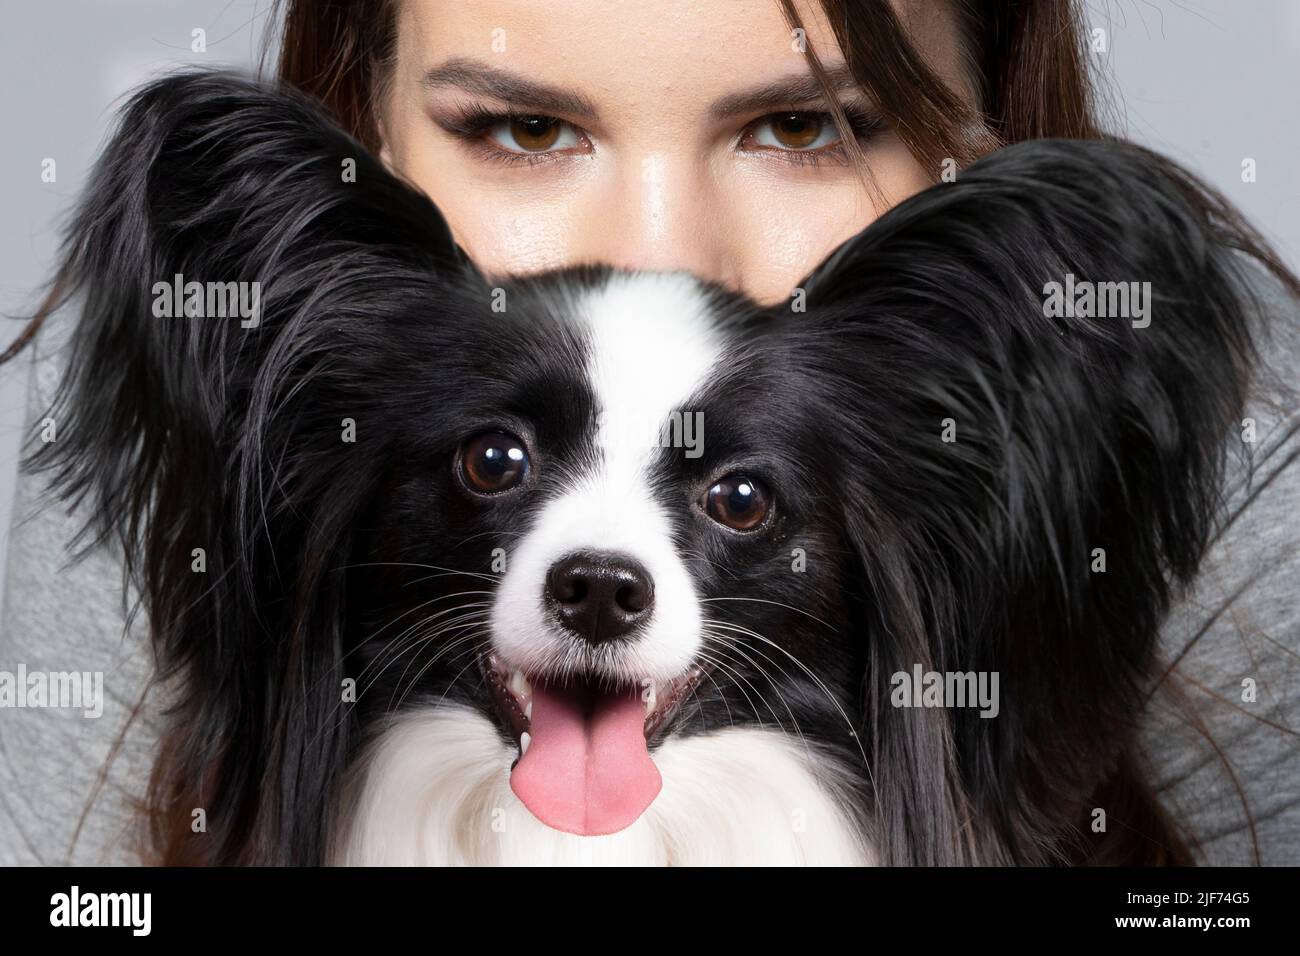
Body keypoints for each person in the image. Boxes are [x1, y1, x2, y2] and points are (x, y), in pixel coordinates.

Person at [2, 0, 1296, 864]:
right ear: (367, 127)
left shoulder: (1263, 530)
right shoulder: (139, 566)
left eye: (803, 126)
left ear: (980, 134)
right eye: (524, 127)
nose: (655, 257)